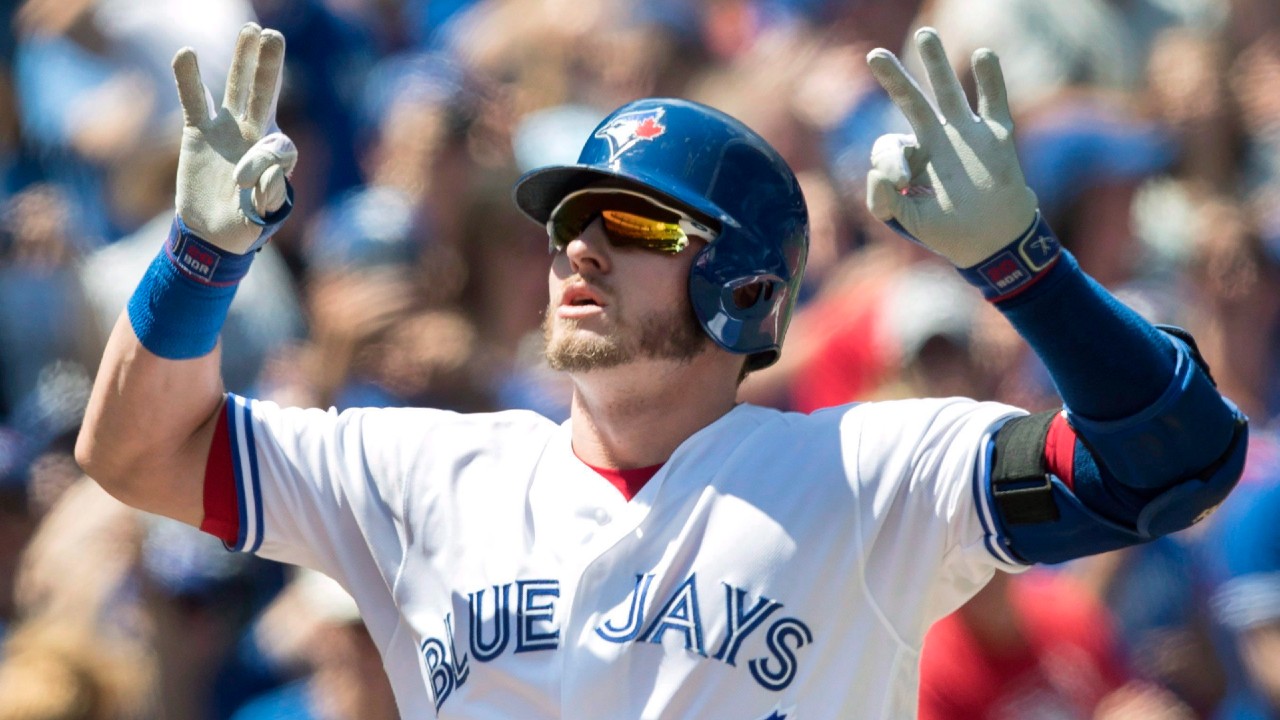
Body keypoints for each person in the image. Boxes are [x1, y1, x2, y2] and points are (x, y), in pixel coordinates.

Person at [75, 22, 1247, 719]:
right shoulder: (419, 470)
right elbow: (137, 451)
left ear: (743, 287)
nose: (579, 246)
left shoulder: (866, 473)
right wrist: (197, 260)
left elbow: (1175, 463)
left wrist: (1025, 268)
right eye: (568, 217)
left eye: (635, 224)